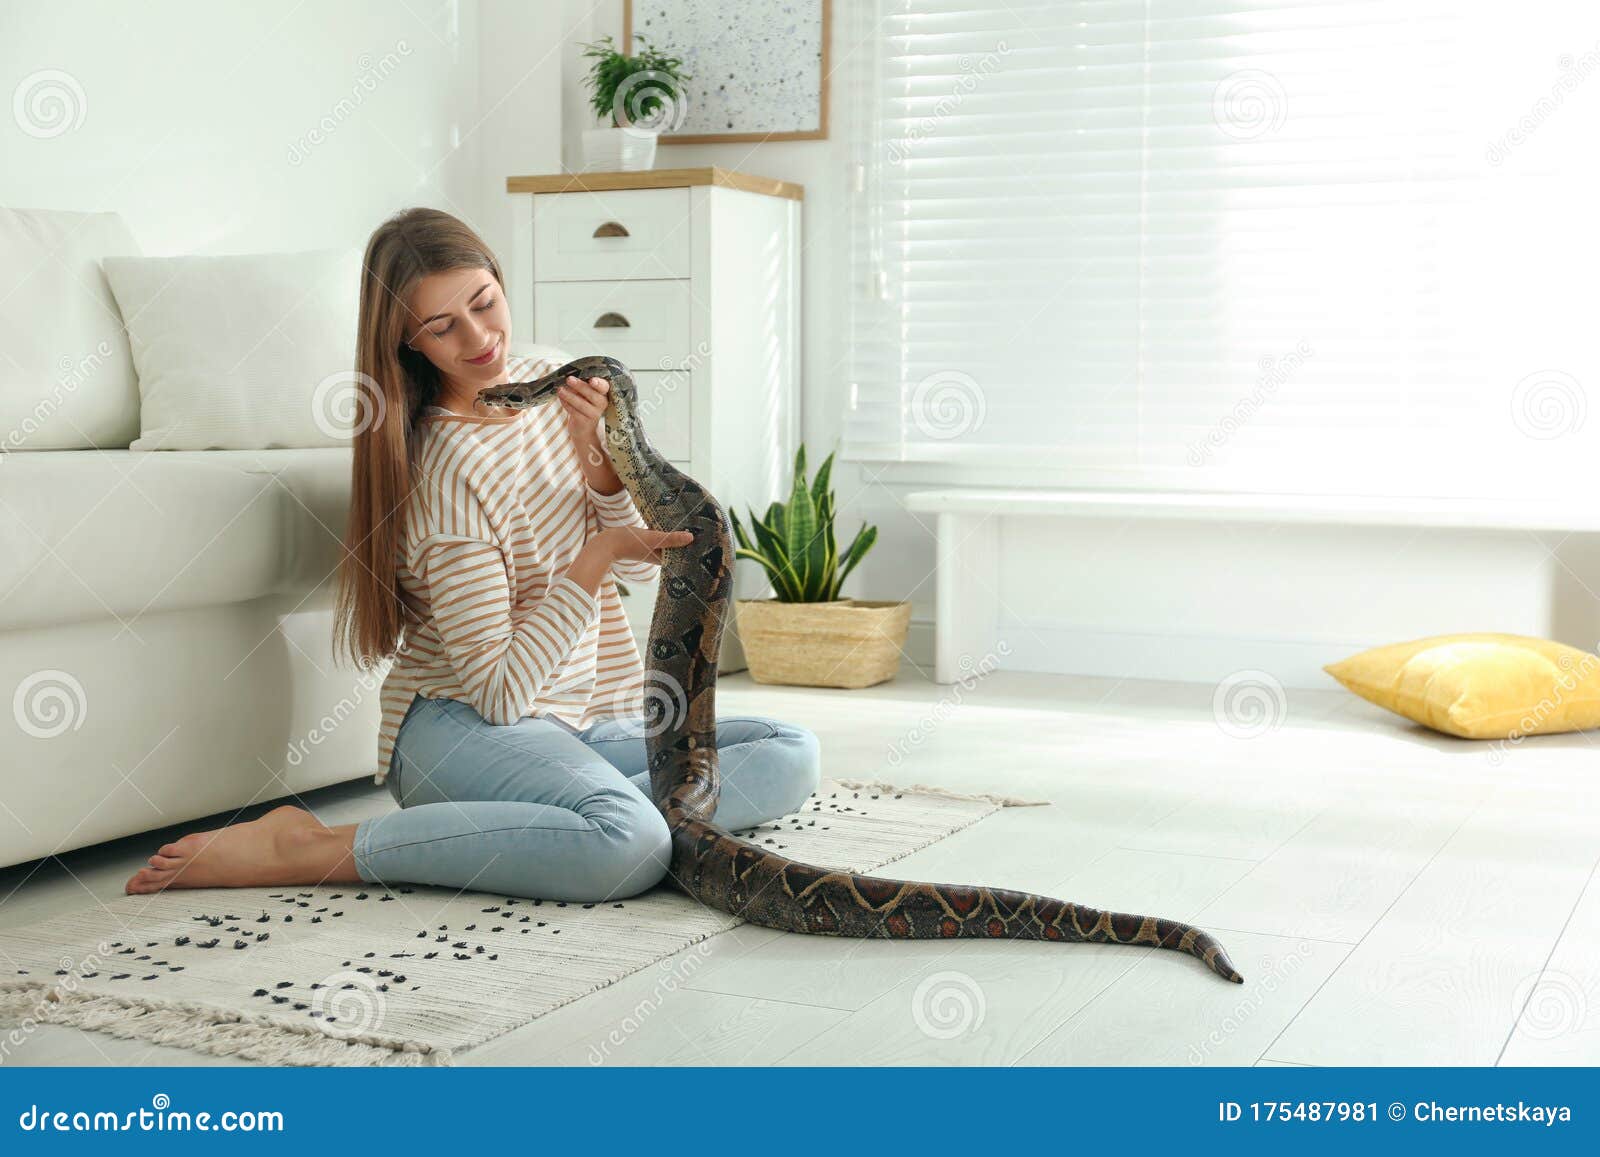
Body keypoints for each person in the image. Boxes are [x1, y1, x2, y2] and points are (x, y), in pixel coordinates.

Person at [124, 207, 820, 899]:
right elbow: (500, 692)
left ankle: (555, 825)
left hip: (581, 721)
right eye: (442, 326)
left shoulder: (557, 378)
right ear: (405, 340)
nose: (481, 338)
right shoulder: (444, 471)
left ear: (499, 280)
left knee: (789, 754)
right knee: (629, 841)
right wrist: (596, 552)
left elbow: (648, 564)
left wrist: (602, 474)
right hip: (463, 729)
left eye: (485, 302)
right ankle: (311, 846)